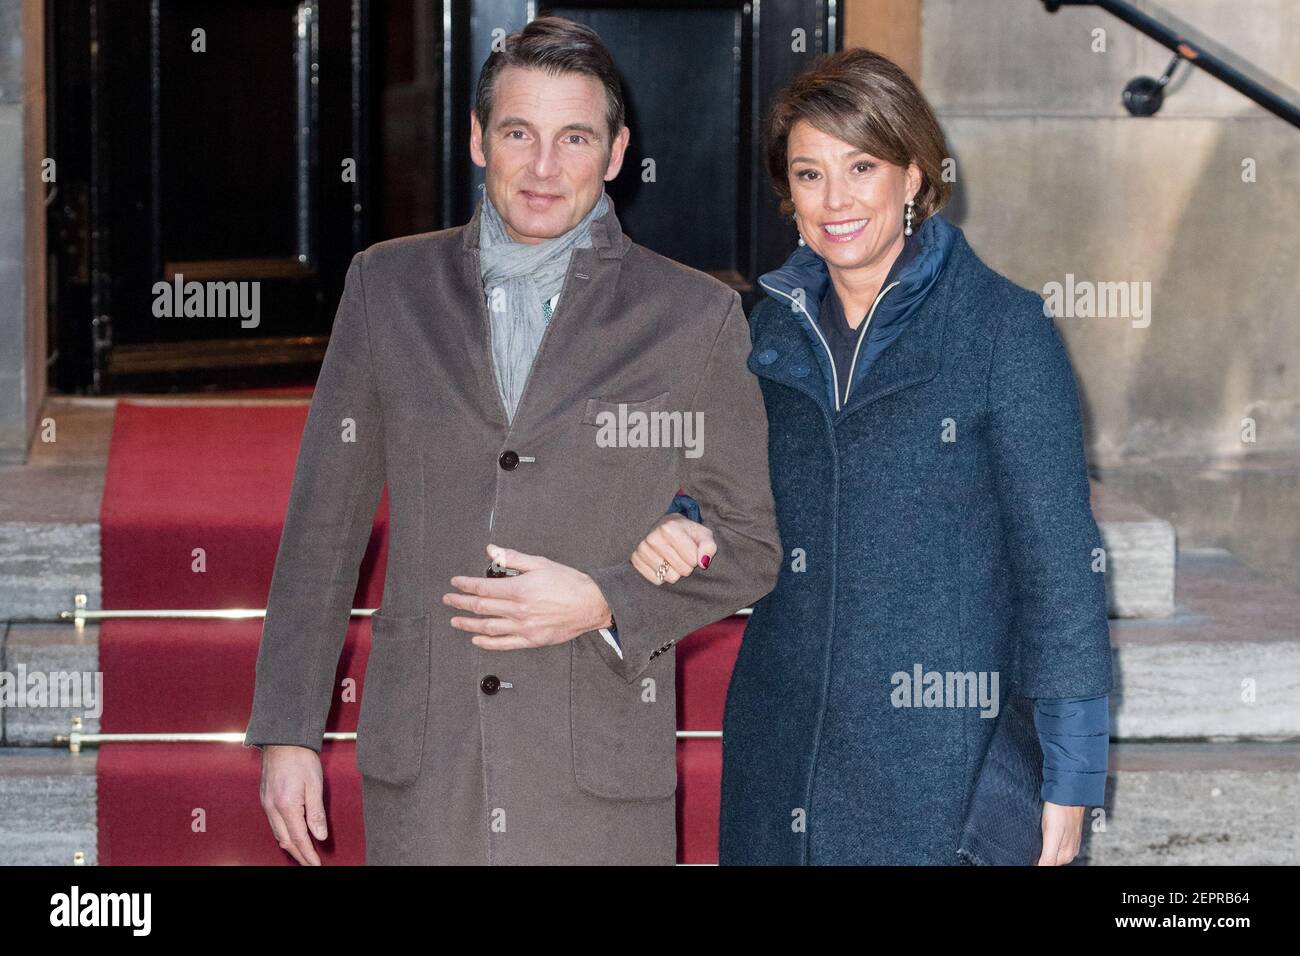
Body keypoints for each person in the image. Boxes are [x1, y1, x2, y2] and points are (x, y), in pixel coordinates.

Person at [243, 16, 780, 865]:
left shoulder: (692, 318)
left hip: (596, 767)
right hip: (426, 761)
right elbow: (323, 525)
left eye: (574, 138)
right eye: (519, 133)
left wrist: (608, 601)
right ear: (477, 140)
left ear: (614, 153)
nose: (542, 167)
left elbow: (751, 543)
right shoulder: (387, 286)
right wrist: (287, 732)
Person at [629, 48, 1112, 865]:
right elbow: (734, 493)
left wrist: (1068, 780)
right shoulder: (767, 328)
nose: (835, 199)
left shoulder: (1003, 330)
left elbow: (1061, 568)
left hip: (942, 766)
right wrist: (683, 521)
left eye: (862, 166)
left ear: (915, 174)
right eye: (809, 174)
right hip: (780, 754)